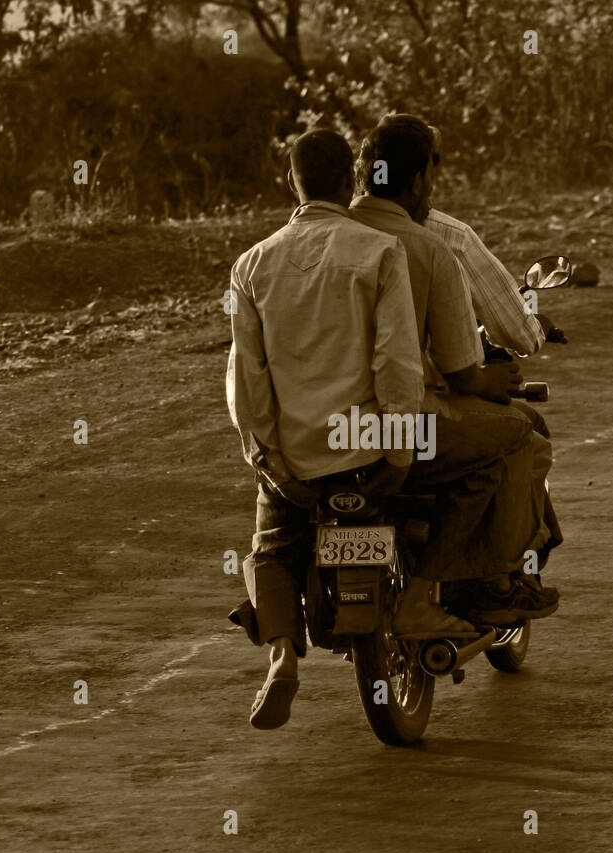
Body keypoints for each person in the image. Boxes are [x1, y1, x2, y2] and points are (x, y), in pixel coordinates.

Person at [227, 128, 425, 730]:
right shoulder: (378, 251)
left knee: (272, 549)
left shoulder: (252, 265)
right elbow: (396, 360)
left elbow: (248, 377)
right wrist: (398, 445)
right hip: (365, 450)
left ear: (293, 182)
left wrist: (267, 457)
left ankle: (284, 654)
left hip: (299, 458)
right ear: (350, 182)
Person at [349, 114, 560, 624]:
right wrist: (492, 374)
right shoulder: (437, 244)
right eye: (432, 174)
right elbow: (463, 369)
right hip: (405, 423)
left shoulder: (299, 244)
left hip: (313, 430)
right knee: (517, 436)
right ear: (419, 179)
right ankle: (486, 580)